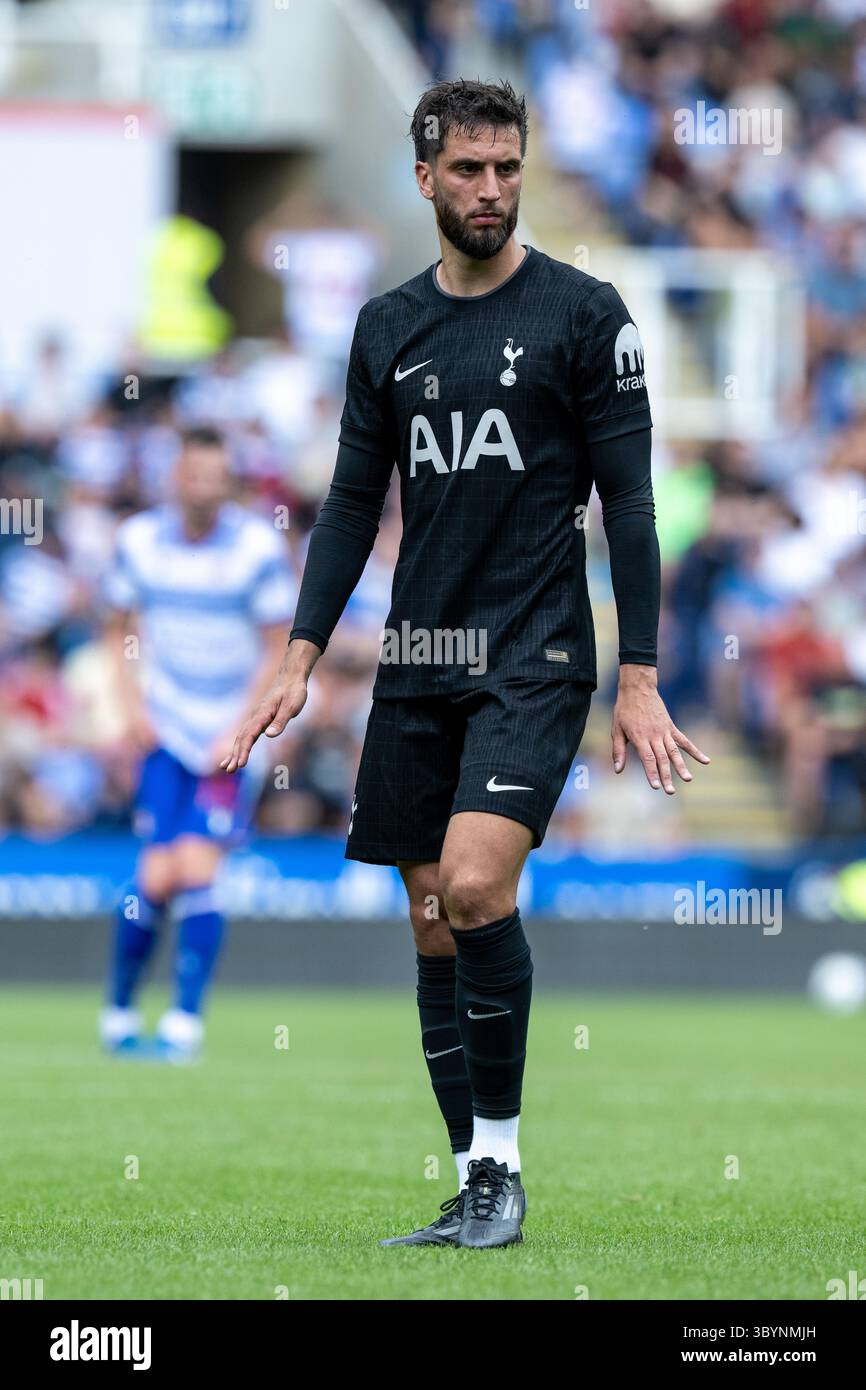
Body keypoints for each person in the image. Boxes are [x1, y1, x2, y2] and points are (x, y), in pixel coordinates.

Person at [221, 80, 709, 1247]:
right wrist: (297, 651)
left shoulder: (588, 317)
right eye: (470, 170)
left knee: (478, 885)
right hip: (417, 656)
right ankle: (471, 1180)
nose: (491, 188)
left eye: (507, 167)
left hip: (535, 651)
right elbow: (349, 500)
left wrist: (636, 671)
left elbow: (630, 506)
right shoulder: (386, 327)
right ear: (426, 177)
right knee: (435, 919)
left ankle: (500, 1168)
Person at [100, 426, 295, 1060]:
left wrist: (239, 726)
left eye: (217, 476)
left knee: (195, 867)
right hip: (166, 725)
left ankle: (184, 1021)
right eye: (195, 474)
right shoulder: (138, 541)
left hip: (227, 736)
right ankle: (121, 1011)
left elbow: (274, 647)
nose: (204, 486)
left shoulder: (255, 548)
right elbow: (118, 632)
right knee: (153, 876)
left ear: (228, 482)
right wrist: (131, 708)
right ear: (176, 478)